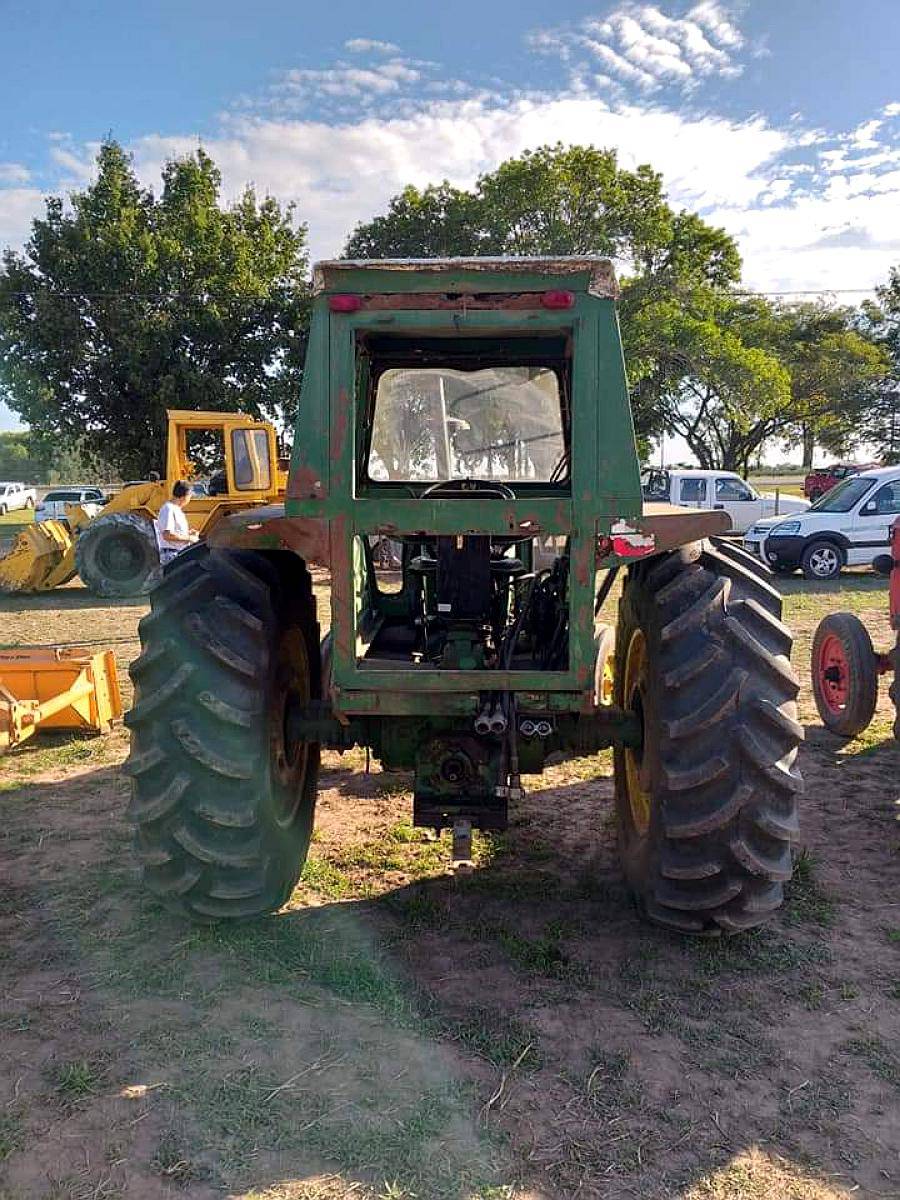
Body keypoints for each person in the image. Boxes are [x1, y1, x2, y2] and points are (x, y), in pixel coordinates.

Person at [155, 480, 199, 565]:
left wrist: (188, 534)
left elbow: (173, 532)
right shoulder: (168, 509)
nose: (189, 500)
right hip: (171, 555)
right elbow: (167, 535)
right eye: (190, 496)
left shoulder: (176, 509)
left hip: (178, 553)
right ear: (184, 496)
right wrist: (190, 538)